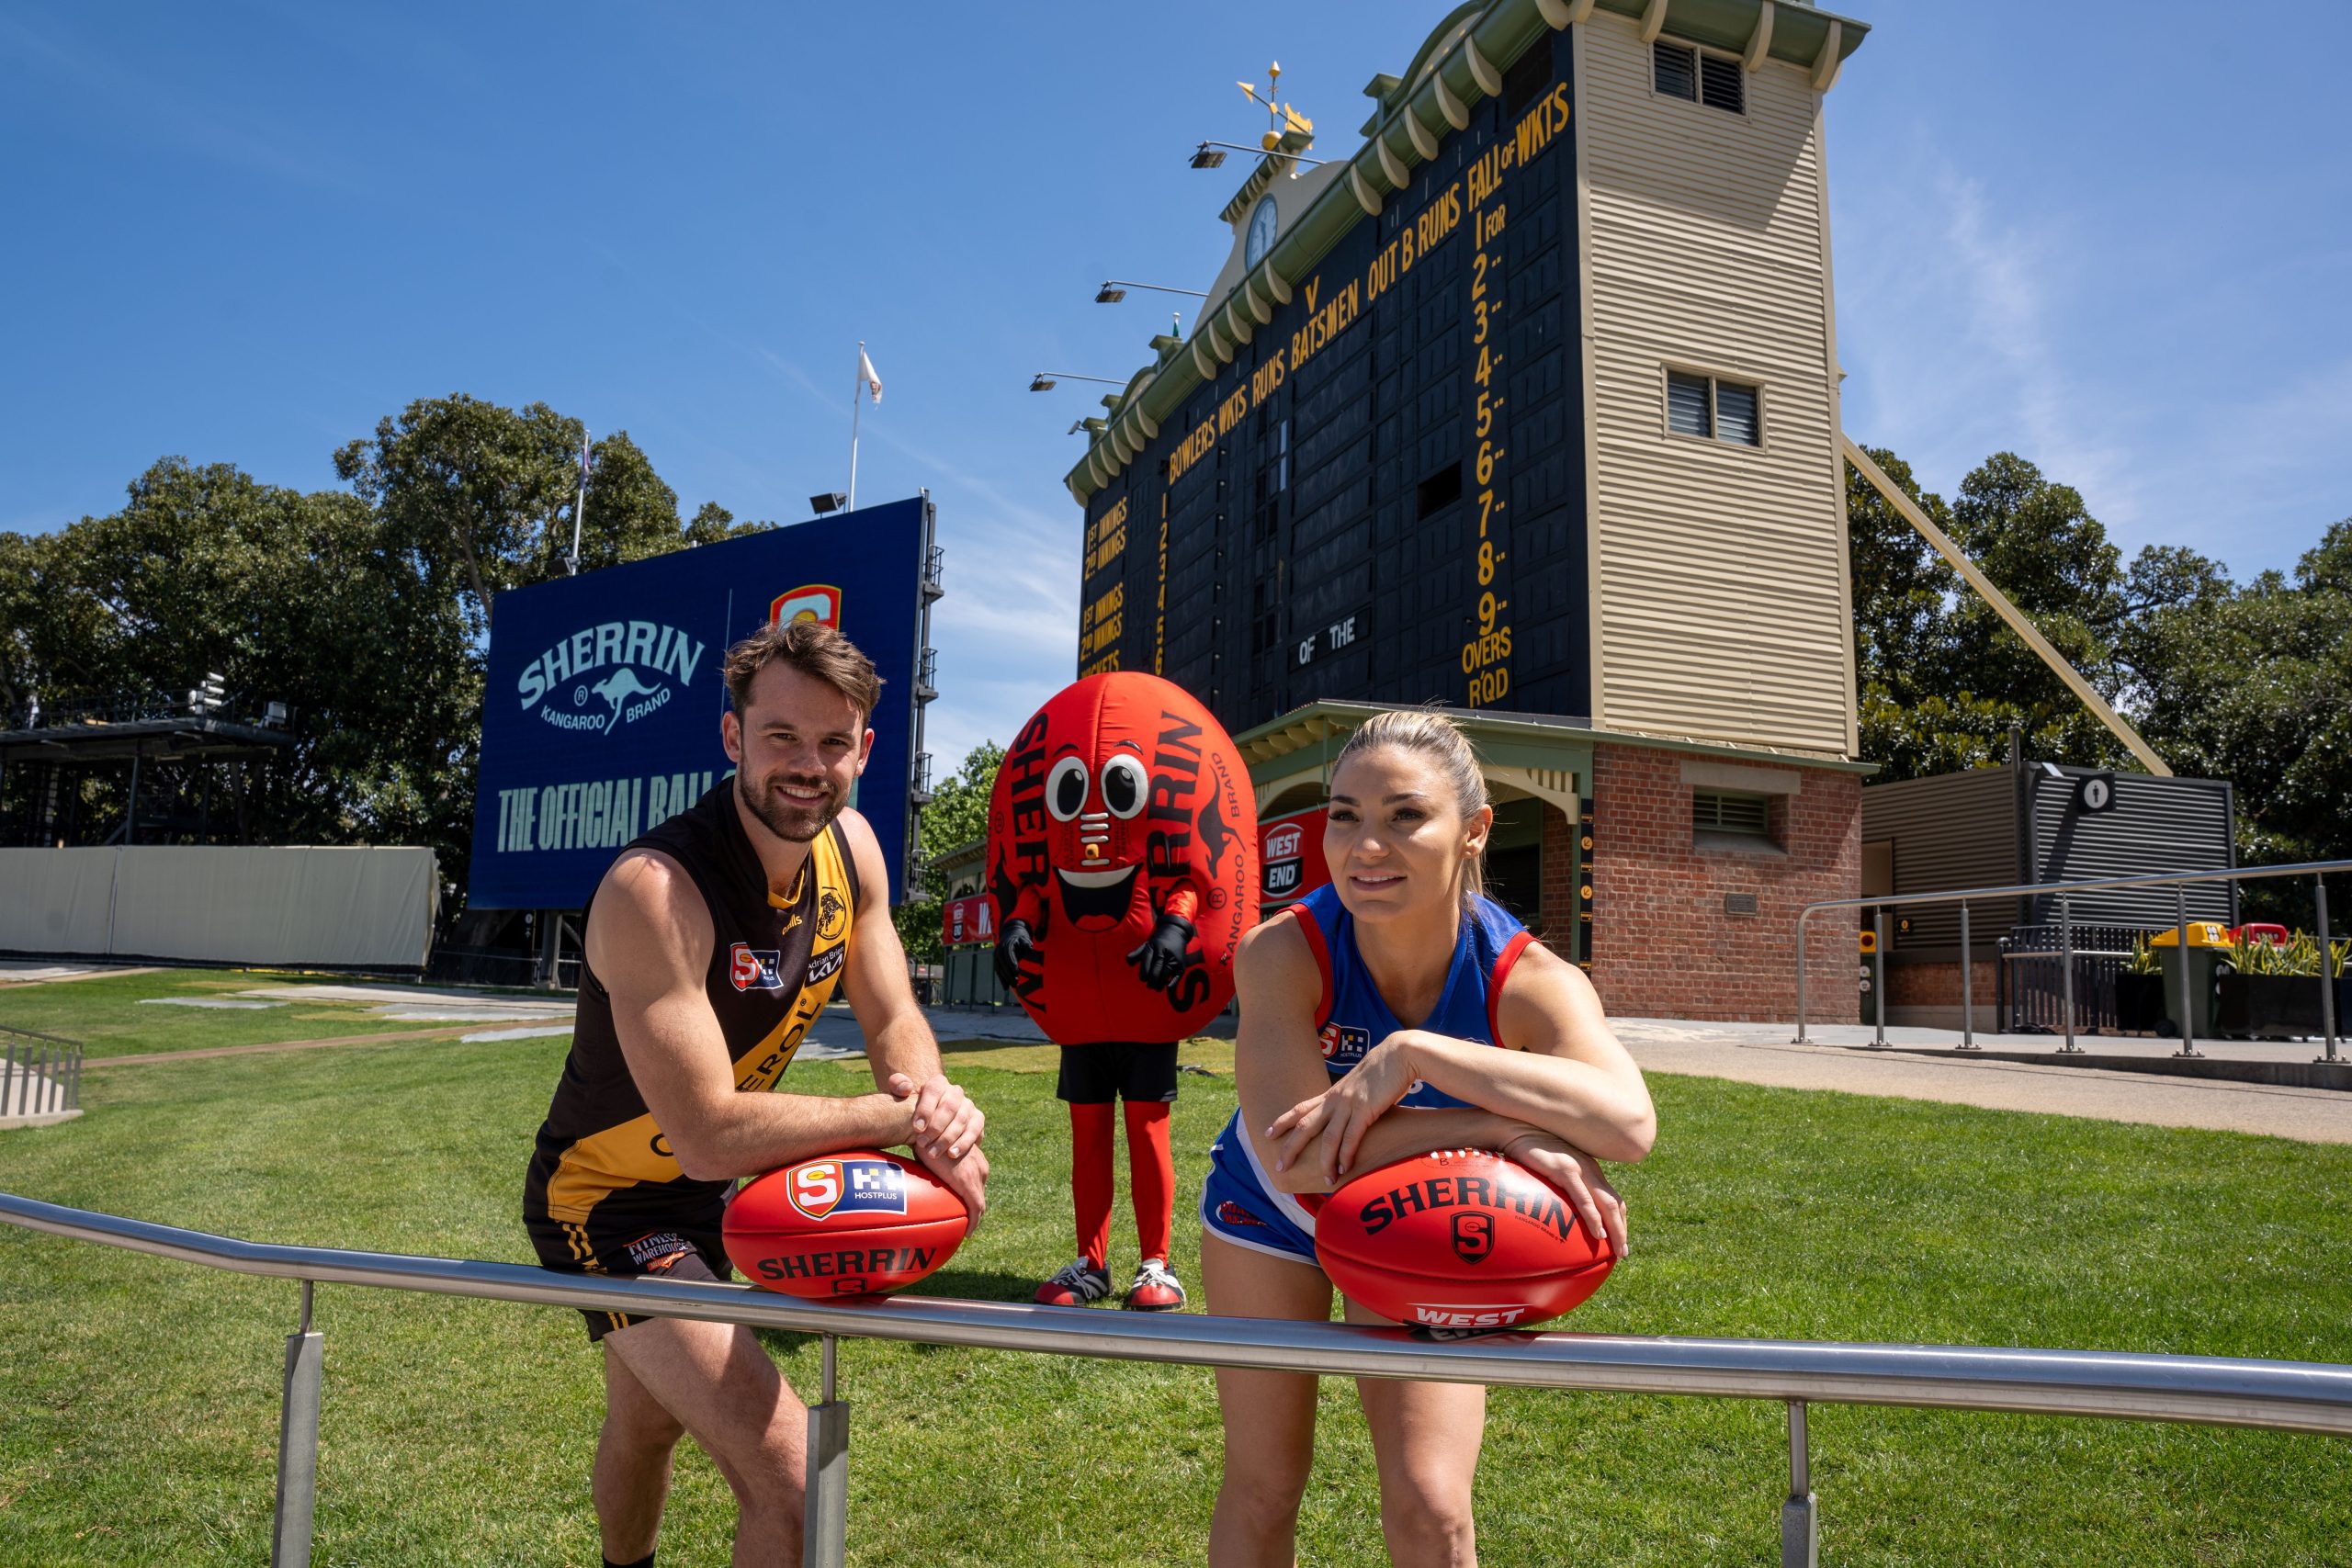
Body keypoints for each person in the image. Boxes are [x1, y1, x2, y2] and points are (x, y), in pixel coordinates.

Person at [523, 620, 988, 1568]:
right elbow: (705, 1131)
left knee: (648, 1422)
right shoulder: (654, 889)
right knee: (794, 1475)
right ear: (733, 736)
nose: (808, 766)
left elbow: (894, 1015)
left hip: (713, 1195)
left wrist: (934, 1106)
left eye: (832, 742)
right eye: (782, 737)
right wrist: (897, 1118)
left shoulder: (854, 849)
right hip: (605, 1204)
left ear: (864, 749)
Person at [1197, 708, 1655, 1567]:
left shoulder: (1528, 977)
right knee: (1263, 1486)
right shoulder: (1280, 952)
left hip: (1419, 1207)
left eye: (1405, 814)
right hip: (1270, 1210)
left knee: (1431, 1504)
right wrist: (1500, 1127)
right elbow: (1299, 1157)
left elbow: (1628, 1122)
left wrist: (1417, 1054)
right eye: (1344, 815)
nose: (1366, 845)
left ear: (1474, 830)